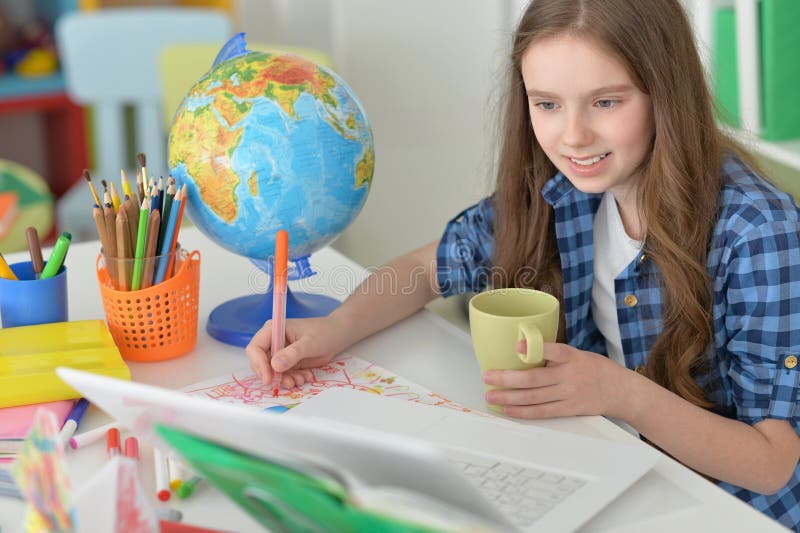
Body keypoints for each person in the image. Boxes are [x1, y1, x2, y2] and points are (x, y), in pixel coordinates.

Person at [246, 0, 800, 528]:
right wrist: (332, 328)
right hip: (622, 477)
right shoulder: (559, 190)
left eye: (607, 102)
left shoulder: (757, 232)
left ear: (664, 93)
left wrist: (621, 395)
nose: (573, 136)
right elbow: (421, 270)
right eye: (547, 104)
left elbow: (771, 462)